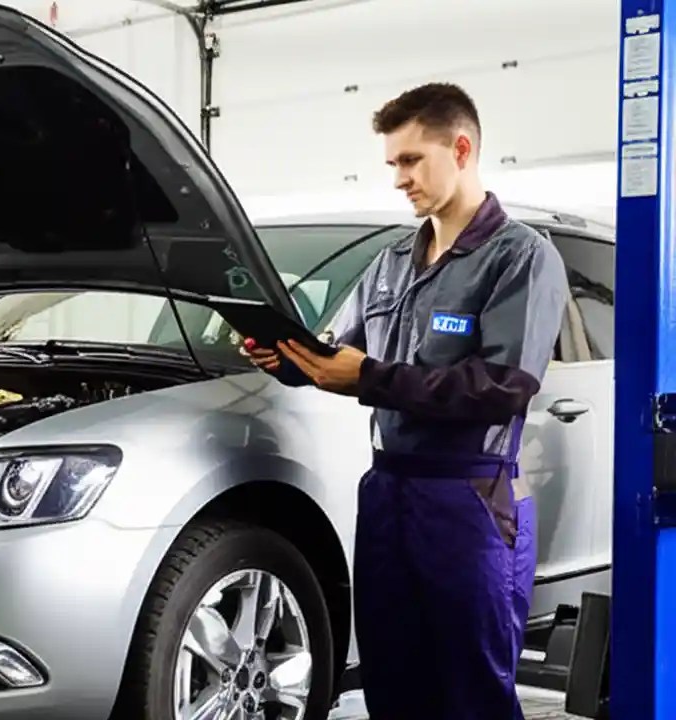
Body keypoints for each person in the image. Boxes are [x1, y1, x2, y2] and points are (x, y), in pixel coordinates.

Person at [244, 82, 569, 719]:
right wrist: (287, 359)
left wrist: (367, 378)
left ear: (463, 148)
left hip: (472, 499)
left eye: (411, 160)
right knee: (391, 681)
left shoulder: (522, 258)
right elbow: (338, 351)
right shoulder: (392, 262)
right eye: (392, 163)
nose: (399, 178)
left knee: (472, 688)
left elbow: (503, 386)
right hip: (389, 495)